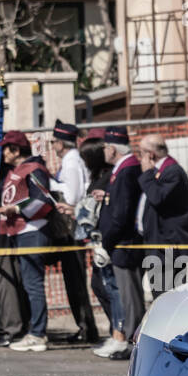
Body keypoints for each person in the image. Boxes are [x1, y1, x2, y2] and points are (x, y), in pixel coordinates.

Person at [0, 131, 57, 352]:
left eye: (6, 149)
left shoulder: (34, 169)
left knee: (33, 284)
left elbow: (44, 200)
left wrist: (16, 208)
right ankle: (35, 330)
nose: (3, 154)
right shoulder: (16, 171)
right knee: (29, 284)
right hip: (19, 233)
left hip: (32, 231)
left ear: (16, 150)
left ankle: (38, 334)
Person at [95, 125, 144, 360]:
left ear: (112, 148)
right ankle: (126, 336)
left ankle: (132, 341)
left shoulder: (127, 170)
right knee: (124, 294)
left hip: (124, 243)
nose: (103, 150)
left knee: (129, 296)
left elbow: (122, 211)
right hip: (120, 241)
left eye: (105, 146)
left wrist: (107, 241)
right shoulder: (122, 168)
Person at [48, 120, 100, 343]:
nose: (52, 146)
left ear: (61, 143)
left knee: (76, 280)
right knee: (73, 279)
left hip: (74, 228)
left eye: (54, 142)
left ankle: (87, 328)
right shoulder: (71, 160)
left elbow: (71, 196)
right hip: (74, 227)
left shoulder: (70, 163)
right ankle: (84, 326)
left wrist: (51, 185)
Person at [77, 136, 122, 350]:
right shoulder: (97, 177)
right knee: (99, 285)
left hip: (107, 239)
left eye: (85, 157)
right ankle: (116, 329)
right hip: (97, 240)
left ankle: (120, 332)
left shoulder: (110, 176)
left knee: (111, 287)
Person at [136, 134, 188, 296]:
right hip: (158, 244)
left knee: (167, 296)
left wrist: (147, 174)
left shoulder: (172, 172)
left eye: (140, 153)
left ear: (150, 155)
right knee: (159, 292)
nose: (139, 158)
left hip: (168, 248)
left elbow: (157, 197)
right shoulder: (160, 171)